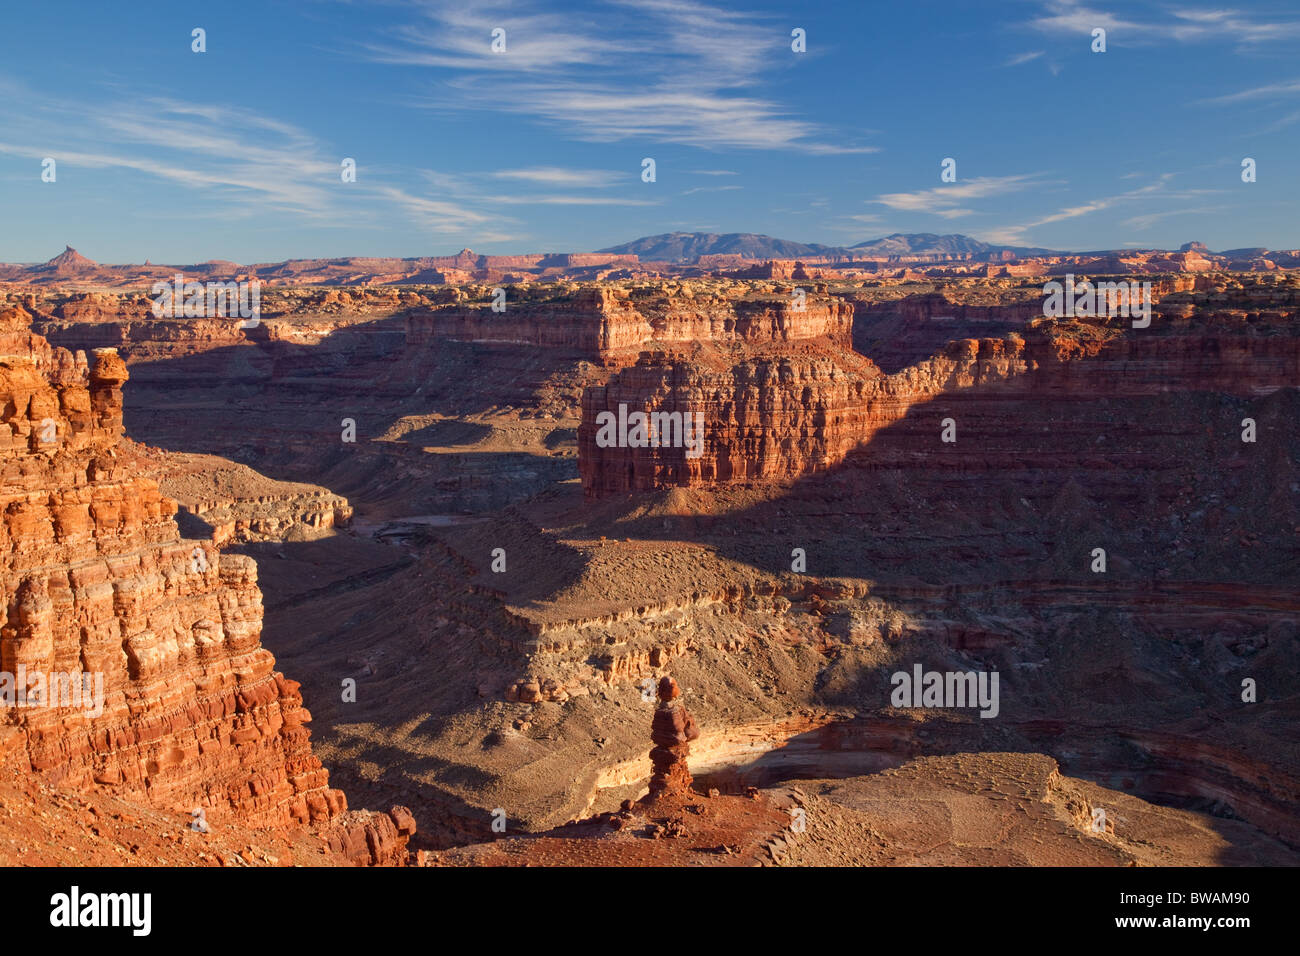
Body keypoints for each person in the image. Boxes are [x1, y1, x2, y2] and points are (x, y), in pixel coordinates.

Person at [648, 676, 700, 798]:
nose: (674, 688)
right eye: (672, 686)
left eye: (674, 685)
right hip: (670, 750)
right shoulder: (673, 713)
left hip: (670, 751)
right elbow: (687, 734)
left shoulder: (673, 711)